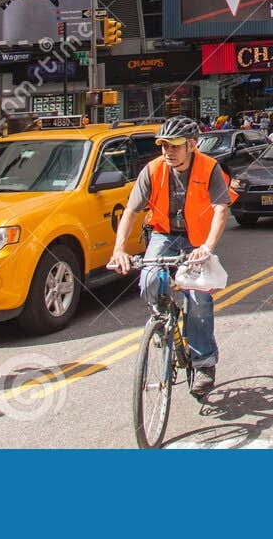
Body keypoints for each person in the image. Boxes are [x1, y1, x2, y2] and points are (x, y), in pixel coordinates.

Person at [108, 116, 231, 398]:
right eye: (163, 145)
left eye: (174, 146)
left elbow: (221, 209)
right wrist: (119, 250)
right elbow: (130, 211)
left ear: (191, 145)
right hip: (164, 234)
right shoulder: (152, 171)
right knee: (148, 279)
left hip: (197, 239)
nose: (167, 152)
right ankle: (163, 319)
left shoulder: (210, 168)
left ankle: (203, 363)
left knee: (199, 299)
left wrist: (208, 248)